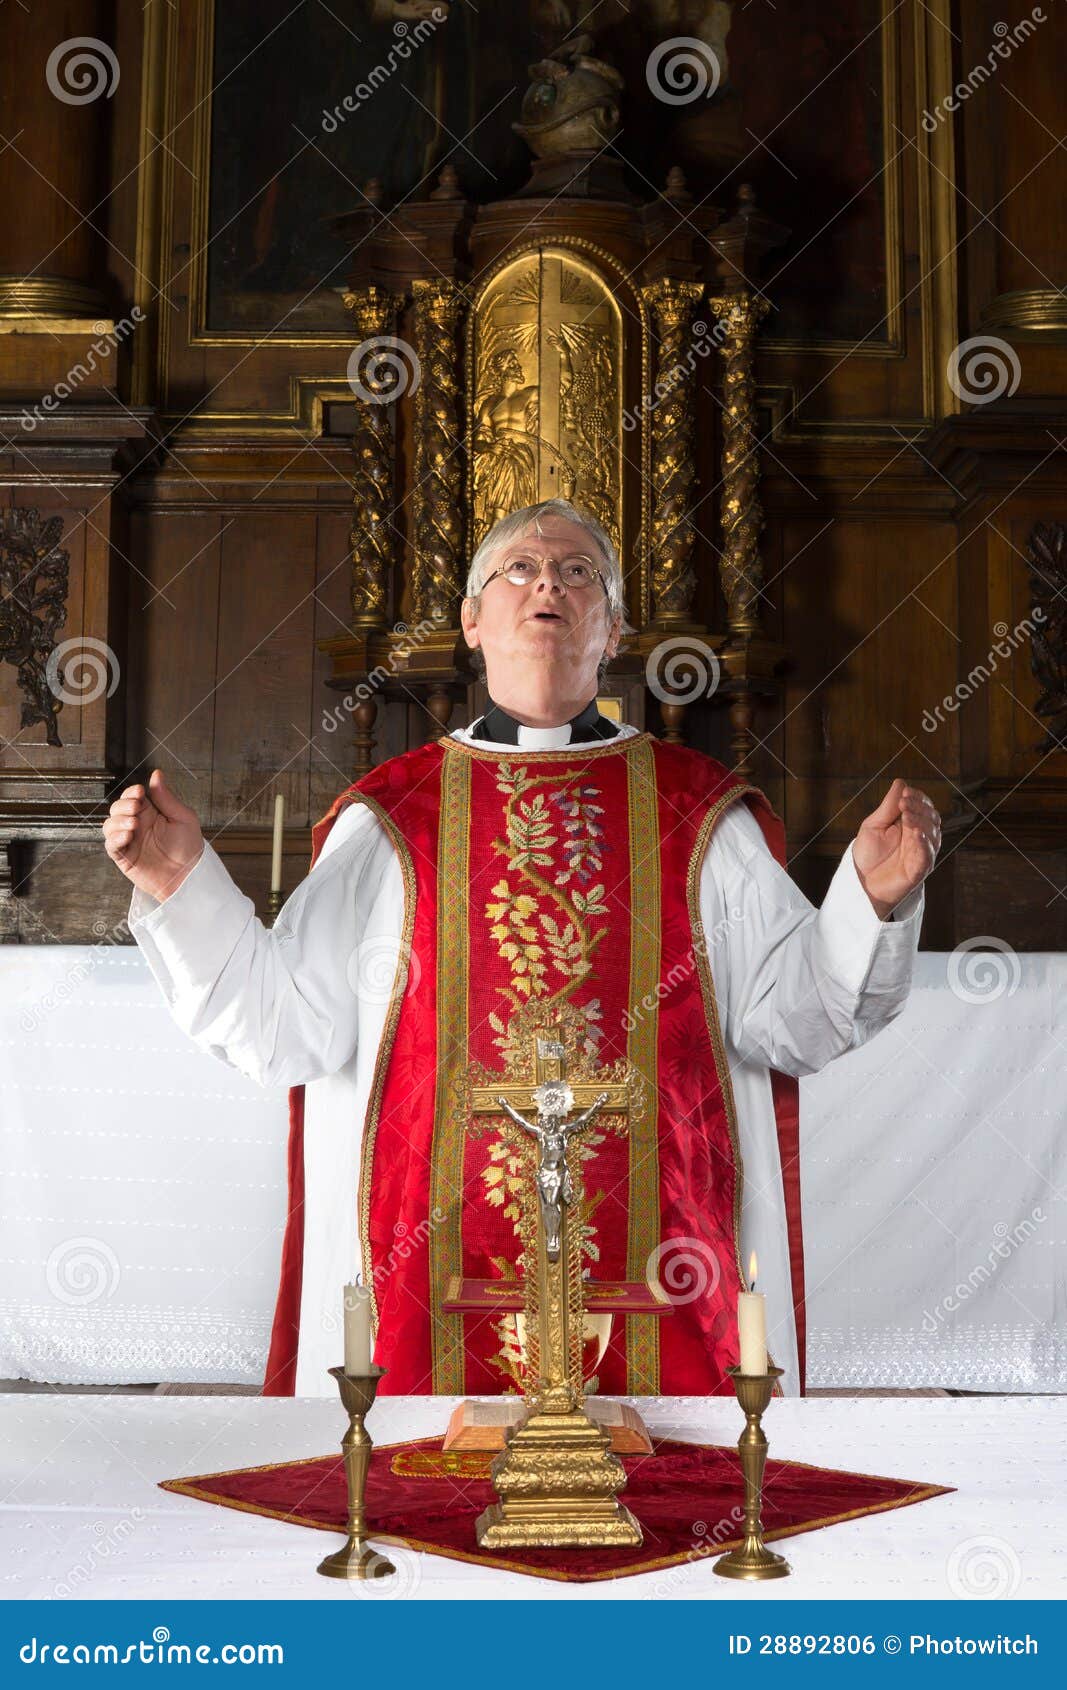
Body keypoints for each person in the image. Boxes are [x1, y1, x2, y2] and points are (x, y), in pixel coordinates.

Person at [103, 497, 940, 1399]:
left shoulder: (695, 812)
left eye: (578, 573)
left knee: (672, 1510)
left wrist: (869, 901)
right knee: (427, 1514)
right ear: (471, 620)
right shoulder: (394, 815)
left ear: (612, 628)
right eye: (519, 570)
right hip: (425, 1265)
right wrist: (181, 883)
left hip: (668, 1265)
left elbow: (794, 1024)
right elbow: (289, 1031)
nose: (549, 584)